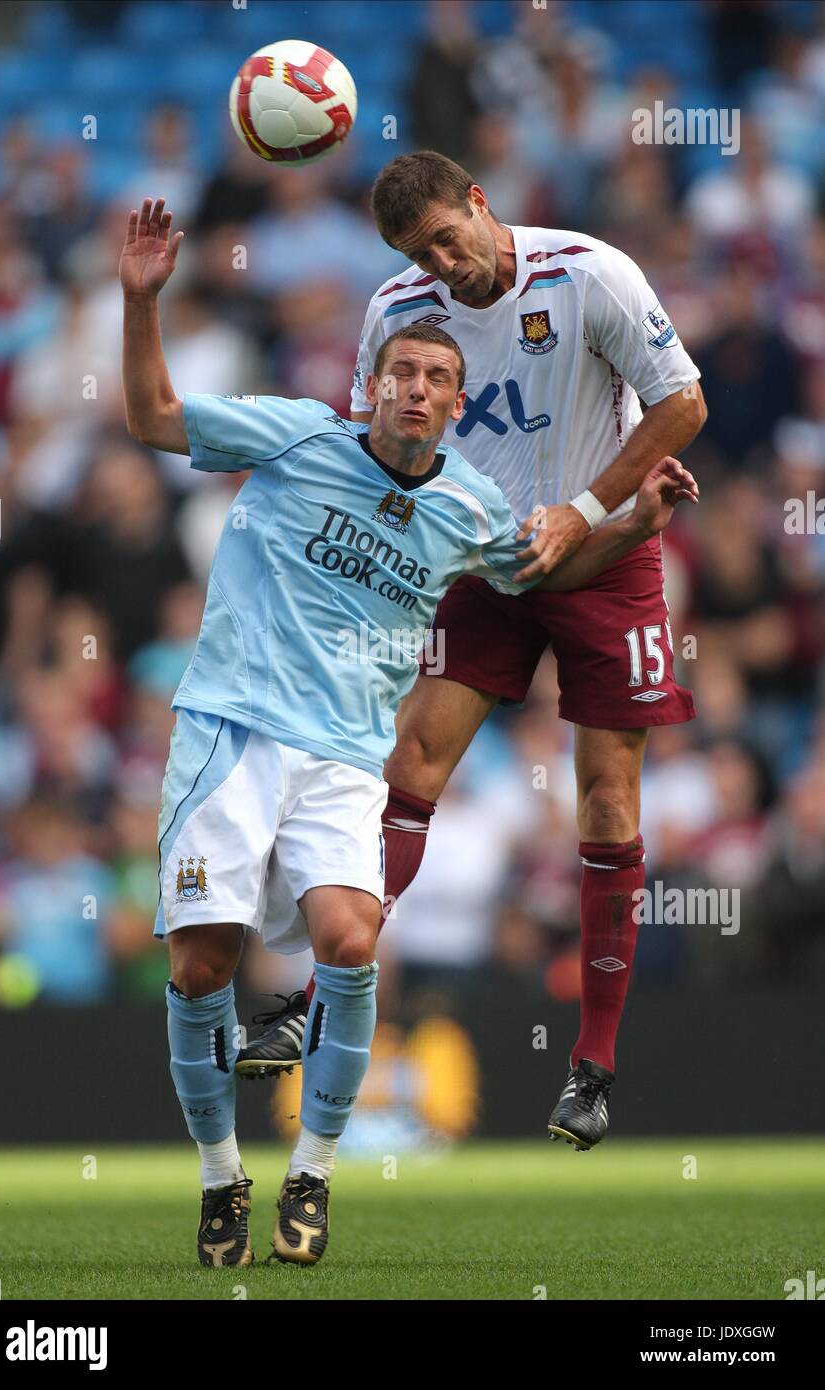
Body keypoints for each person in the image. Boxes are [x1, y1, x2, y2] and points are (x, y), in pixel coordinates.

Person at [120, 197, 696, 1268]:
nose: (417, 391)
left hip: (341, 753)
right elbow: (152, 418)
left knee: (350, 942)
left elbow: (547, 572)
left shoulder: (472, 506)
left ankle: (312, 1179)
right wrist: (140, 300)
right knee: (201, 969)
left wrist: (633, 523)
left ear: (456, 402)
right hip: (232, 733)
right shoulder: (297, 432)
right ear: (372, 382)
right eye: (401, 375)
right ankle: (217, 1179)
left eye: (437, 380)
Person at [238, 151, 707, 1154]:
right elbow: (377, 449)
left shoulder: (590, 274)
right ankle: (315, 999)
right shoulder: (396, 311)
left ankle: (590, 1064)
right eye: (419, 252)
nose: (441, 263)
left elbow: (682, 404)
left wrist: (584, 514)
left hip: (605, 558)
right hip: (480, 564)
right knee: (408, 766)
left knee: (606, 803)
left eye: (448, 236)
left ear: (481, 203)